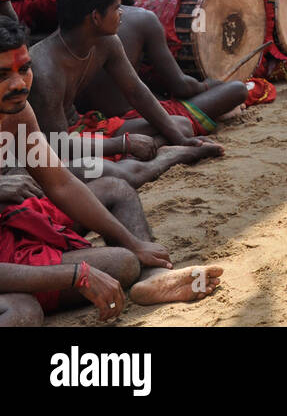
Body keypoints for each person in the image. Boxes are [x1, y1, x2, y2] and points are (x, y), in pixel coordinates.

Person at [0, 18, 223, 325]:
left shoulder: (18, 111)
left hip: (14, 227)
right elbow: (66, 146)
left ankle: (154, 277)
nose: (18, 84)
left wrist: (134, 243)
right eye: (2, 75)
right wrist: (76, 274)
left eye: (23, 69)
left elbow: (60, 183)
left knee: (117, 190)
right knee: (31, 309)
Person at [27, 0, 223, 187]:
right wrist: (122, 144)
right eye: (116, 8)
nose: (121, 13)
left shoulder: (106, 41)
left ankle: (146, 156)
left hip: (84, 129)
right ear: (95, 17)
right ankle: (163, 157)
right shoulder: (44, 70)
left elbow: (136, 92)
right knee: (112, 172)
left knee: (181, 126)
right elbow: (59, 146)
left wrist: (182, 140)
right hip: (52, 148)